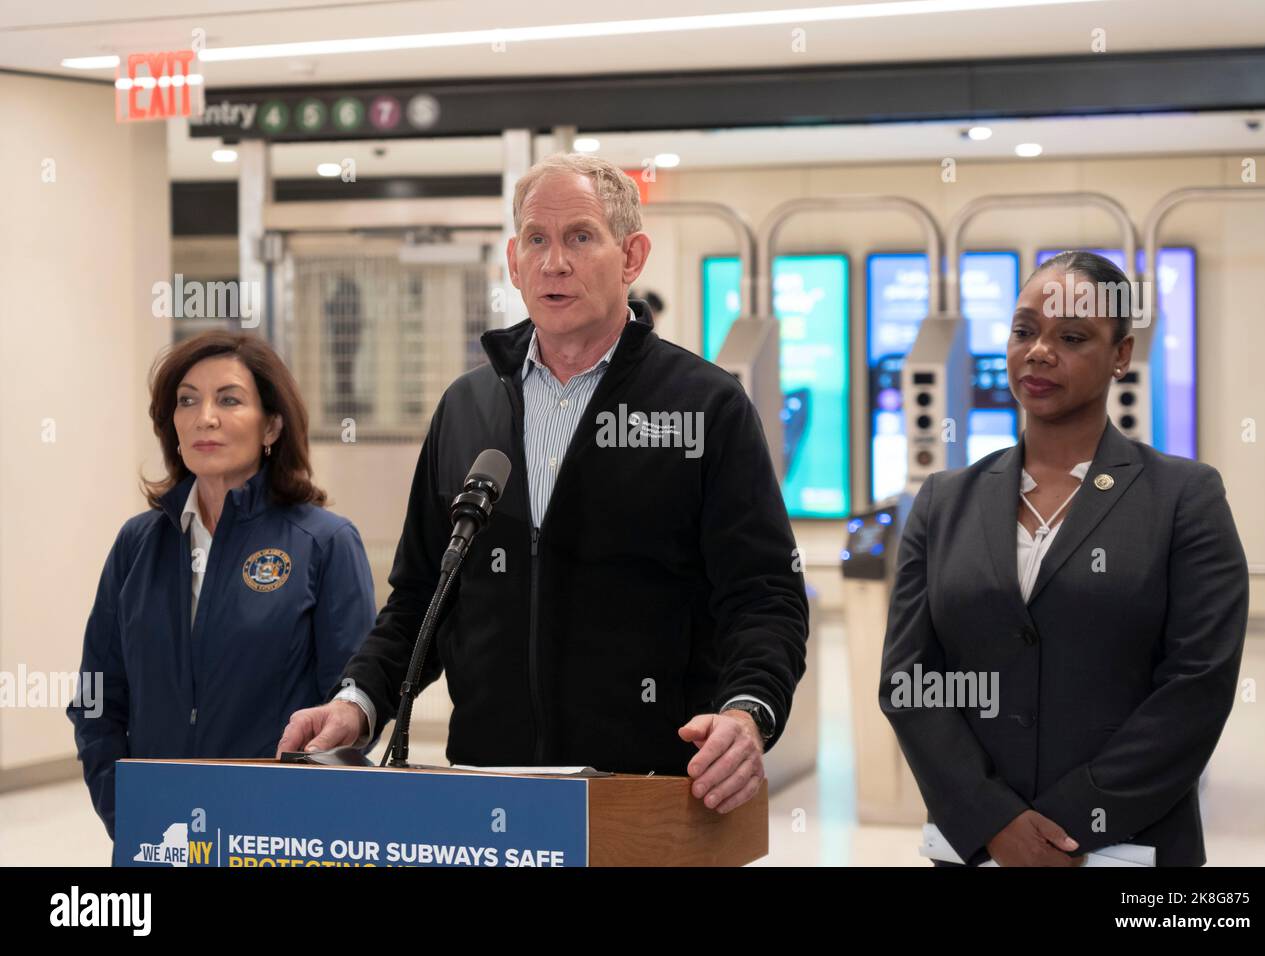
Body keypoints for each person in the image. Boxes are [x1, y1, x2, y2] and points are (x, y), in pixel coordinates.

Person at [278, 153, 809, 815]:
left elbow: (763, 596)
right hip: (488, 795)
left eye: (581, 237)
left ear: (632, 257)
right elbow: (419, 596)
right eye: (537, 239)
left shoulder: (705, 407)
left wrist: (747, 712)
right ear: (513, 258)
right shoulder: (466, 409)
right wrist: (357, 702)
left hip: (652, 796)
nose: (555, 262)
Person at [879, 251, 1248, 866]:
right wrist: (996, 820)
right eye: (1025, 330)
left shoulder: (1184, 497)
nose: (1039, 351)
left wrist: (1066, 824)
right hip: (974, 844)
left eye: (1071, 336)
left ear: (1122, 354)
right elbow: (910, 681)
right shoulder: (944, 501)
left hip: (1125, 846)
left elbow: (1198, 685)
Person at [67, 331, 376, 840]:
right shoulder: (136, 544)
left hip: (275, 834)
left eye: (229, 399)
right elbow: (96, 696)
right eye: (187, 400)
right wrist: (126, 811)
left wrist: (297, 823)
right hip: (158, 832)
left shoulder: (325, 542)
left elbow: (347, 713)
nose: (203, 417)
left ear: (271, 425)